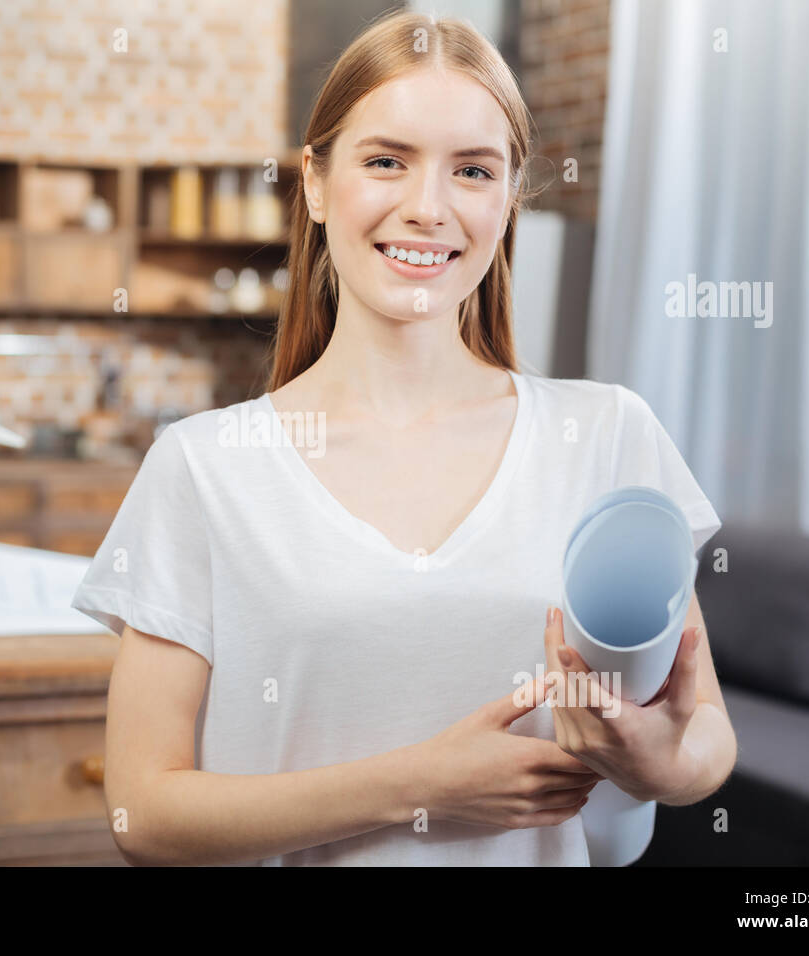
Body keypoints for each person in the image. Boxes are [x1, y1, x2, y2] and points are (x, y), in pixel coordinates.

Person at [72, 9, 737, 866]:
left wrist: (661, 765)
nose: (428, 208)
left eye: (471, 170)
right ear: (313, 183)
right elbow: (143, 816)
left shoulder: (608, 435)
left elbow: (706, 733)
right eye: (386, 161)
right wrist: (421, 785)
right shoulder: (204, 469)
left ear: (507, 198)